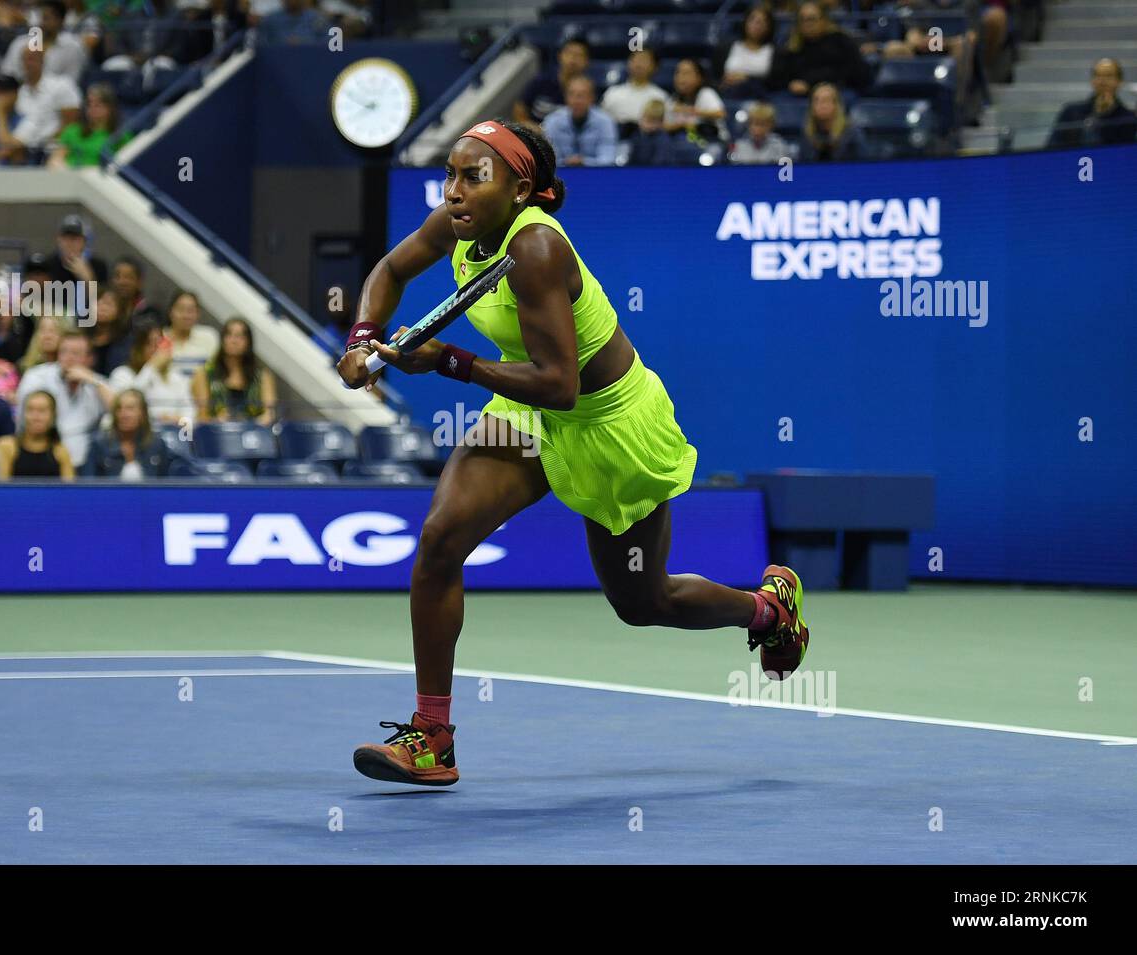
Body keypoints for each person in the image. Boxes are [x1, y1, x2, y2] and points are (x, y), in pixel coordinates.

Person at [337, 120, 811, 786]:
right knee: (441, 540)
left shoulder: (536, 251)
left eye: (472, 176)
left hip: (608, 423)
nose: (453, 191)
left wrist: (447, 360)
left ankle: (767, 610)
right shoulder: (460, 223)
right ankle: (432, 738)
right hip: (522, 414)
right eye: (449, 174)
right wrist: (362, 338)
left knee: (643, 601)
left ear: (520, 187)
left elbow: (559, 385)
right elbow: (390, 269)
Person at [14, 329, 113, 467]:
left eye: (76, 353)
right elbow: (21, 421)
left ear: (90, 359)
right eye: (64, 352)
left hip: (86, 459)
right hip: (45, 454)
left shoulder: (97, 383)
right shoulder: (36, 377)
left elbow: (119, 411)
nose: (69, 358)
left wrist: (93, 382)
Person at [769, 2, 872, 96]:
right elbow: (777, 76)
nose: (807, 24)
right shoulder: (790, 44)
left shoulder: (840, 40)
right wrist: (790, 84)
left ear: (824, 20)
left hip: (837, 91)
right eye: (802, 20)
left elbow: (851, 71)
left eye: (811, 19)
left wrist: (811, 83)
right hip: (798, 95)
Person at [192, 316, 277, 425]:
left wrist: (254, 423)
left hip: (253, 434)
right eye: (229, 335)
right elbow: (202, 417)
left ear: (248, 342)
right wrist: (217, 421)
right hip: (217, 433)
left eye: (240, 336)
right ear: (222, 340)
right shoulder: (204, 374)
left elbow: (270, 413)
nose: (234, 340)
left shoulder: (262, 376)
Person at [108, 323, 195, 425]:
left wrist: (180, 420)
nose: (158, 350)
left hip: (173, 432)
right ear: (139, 348)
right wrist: (151, 367)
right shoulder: (122, 374)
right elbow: (129, 402)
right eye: (151, 344)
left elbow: (190, 411)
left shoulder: (175, 376)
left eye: (161, 344)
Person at [80, 388, 171, 479]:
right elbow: (88, 486)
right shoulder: (98, 445)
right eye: (119, 408)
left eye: (130, 408)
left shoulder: (157, 445)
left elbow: (168, 486)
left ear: (143, 413)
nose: (123, 414)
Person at [1048, 58, 1137, 149]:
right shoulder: (1071, 112)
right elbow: (1052, 147)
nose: (1102, 81)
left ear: (1119, 82)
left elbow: (1125, 153)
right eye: (1098, 75)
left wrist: (1106, 113)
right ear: (1092, 80)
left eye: (1108, 76)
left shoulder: (1128, 119)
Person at [13, 46, 81, 156]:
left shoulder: (61, 84)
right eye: (24, 59)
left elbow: (70, 123)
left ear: (42, 60)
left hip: (52, 149)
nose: (28, 64)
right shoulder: (20, 93)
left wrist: (46, 143)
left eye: (31, 59)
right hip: (24, 149)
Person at [0, 389, 75, 479]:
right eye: (30, 410)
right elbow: (2, 488)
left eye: (42, 411)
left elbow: (69, 489)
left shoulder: (61, 452)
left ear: (53, 415)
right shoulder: (7, 446)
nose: (35, 417)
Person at [514, 37, 592, 129]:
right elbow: (520, 108)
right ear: (560, 56)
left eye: (579, 55)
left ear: (587, 61)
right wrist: (529, 127)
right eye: (569, 53)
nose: (573, 59)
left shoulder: (588, 89)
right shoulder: (541, 81)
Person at [47, 83, 131, 169]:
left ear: (110, 108)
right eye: (89, 104)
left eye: (97, 105)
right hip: (68, 175)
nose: (92, 109)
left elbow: (120, 165)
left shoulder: (120, 136)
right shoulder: (72, 130)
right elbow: (56, 158)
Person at [0, 0, 87, 83]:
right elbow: (7, 75)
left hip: (57, 95)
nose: (41, 23)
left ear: (60, 20)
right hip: (21, 94)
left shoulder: (72, 47)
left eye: (46, 18)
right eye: (39, 17)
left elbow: (72, 81)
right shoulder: (20, 43)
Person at [542, 76, 618, 167]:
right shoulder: (552, 121)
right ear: (566, 98)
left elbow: (608, 159)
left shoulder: (605, 122)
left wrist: (584, 162)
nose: (577, 101)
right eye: (572, 95)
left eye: (582, 95)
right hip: (561, 175)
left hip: (595, 175)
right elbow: (549, 160)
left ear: (591, 98)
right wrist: (566, 162)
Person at [600, 49, 670, 138]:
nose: (639, 64)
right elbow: (601, 124)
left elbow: (665, 126)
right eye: (635, 59)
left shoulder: (661, 96)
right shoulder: (612, 93)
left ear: (655, 67)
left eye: (644, 60)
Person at [714, 4, 776, 100]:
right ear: (745, 22)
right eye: (753, 20)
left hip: (760, 98)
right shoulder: (726, 47)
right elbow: (715, 75)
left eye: (763, 21)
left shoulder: (776, 52)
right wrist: (722, 81)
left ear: (769, 26)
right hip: (727, 94)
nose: (757, 25)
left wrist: (747, 79)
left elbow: (777, 82)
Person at [163, 289, 219, 384]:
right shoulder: (159, 337)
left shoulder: (209, 337)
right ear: (170, 312)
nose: (186, 316)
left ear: (198, 314)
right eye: (181, 310)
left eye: (191, 311)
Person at [798, 82, 865, 161]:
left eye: (826, 100)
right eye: (816, 101)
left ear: (836, 105)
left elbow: (861, 166)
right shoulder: (807, 133)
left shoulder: (851, 133)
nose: (821, 105)